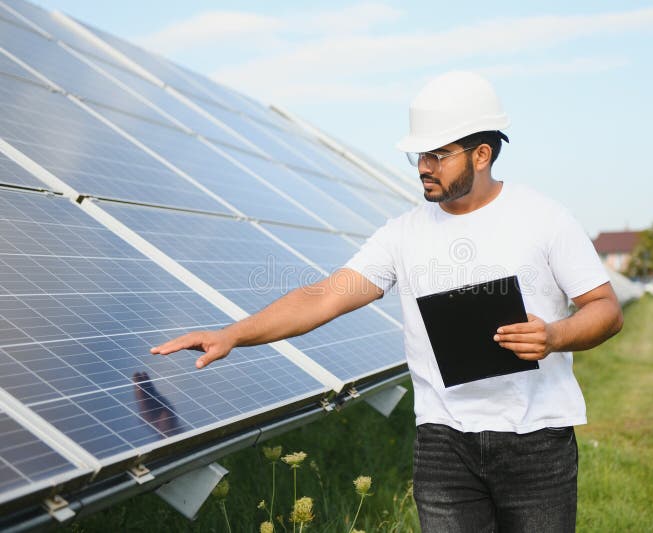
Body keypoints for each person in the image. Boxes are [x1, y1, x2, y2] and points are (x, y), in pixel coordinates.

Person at [151, 71, 624, 532]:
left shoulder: (544, 220)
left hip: (537, 440)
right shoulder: (404, 235)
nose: (423, 166)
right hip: (443, 443)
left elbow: (605, 309)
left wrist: (554, 335)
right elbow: (322, 298)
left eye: (438, 155)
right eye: (420, 154)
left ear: (482, 154)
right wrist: (233, 334)